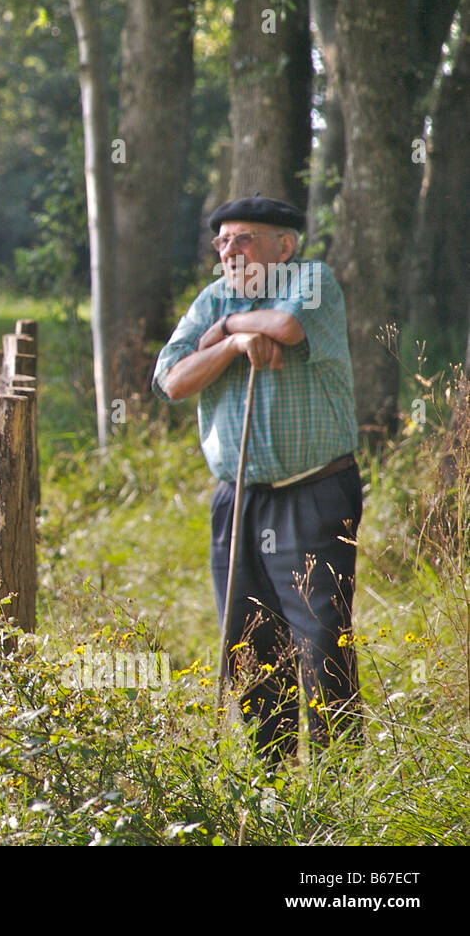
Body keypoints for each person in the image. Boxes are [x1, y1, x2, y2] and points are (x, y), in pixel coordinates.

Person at [152, 195, 363, 763]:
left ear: (284, 245)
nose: (227, 251)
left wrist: (228, 328)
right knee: (249, 637)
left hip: (314, 490)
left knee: (320, 634)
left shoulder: (312, 279)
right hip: (238, 497)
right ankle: (271, 771)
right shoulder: (211, 300)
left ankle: (335, 776)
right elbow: (172, 380)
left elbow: (289, 326)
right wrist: (234, 338)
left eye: (241, 238)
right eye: (221, 241)